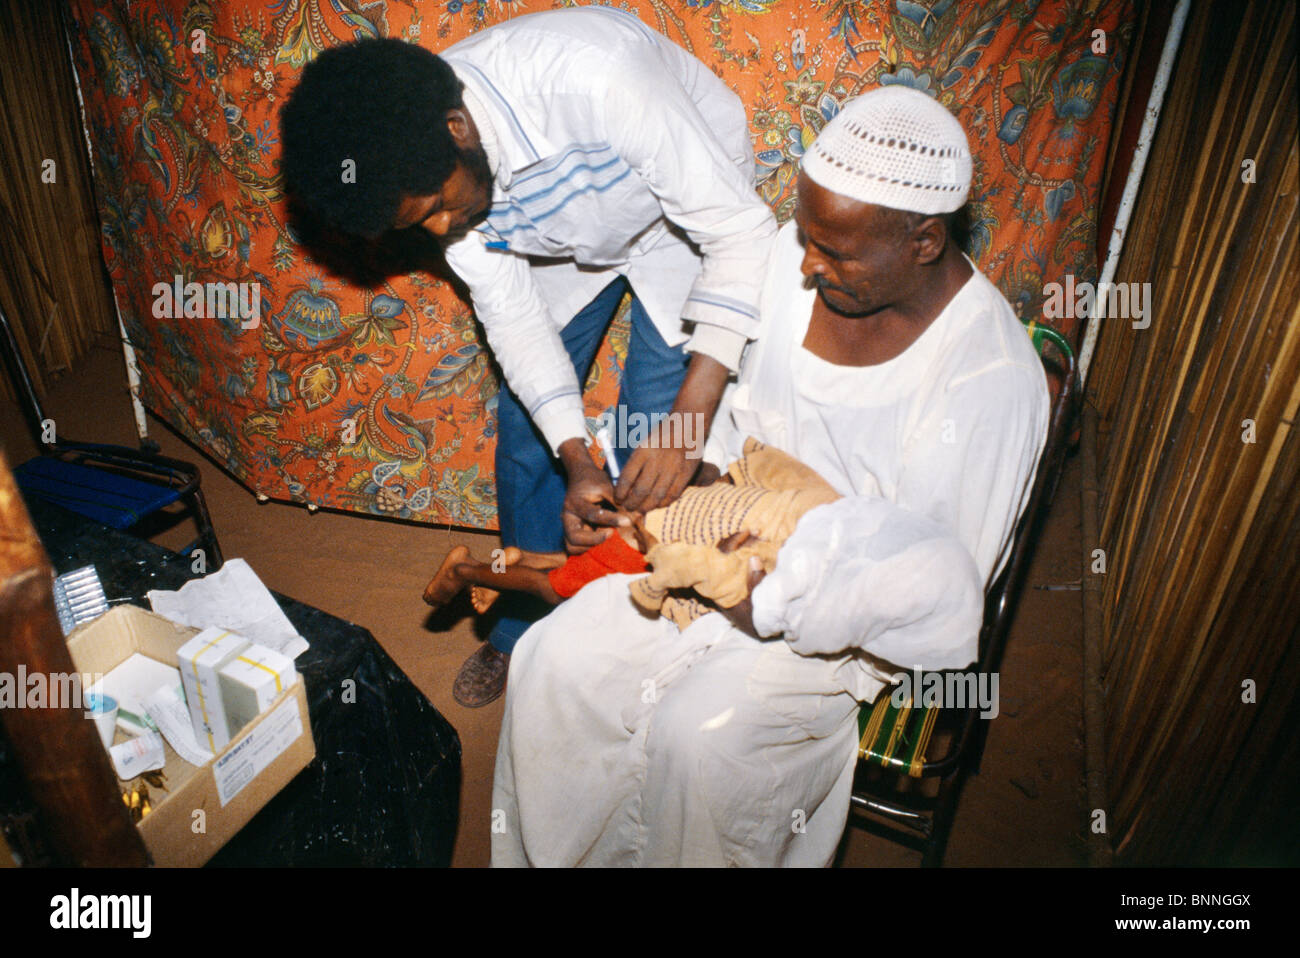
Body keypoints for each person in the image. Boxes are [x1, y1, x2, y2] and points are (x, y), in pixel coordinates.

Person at [490, 86, 1051, 866]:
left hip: (840, 615)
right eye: (807, 237)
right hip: (721, 537)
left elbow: (929, 581)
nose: (808, 264)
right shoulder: (798, 260)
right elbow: (722, 410)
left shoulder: (989, 378)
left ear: (924, 241)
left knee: (701, 742)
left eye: (837, 251)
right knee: (553, 666)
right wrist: (680, 480)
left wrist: (772, 598)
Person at [279, 8, 777, 706]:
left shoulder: (599, 80)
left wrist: (687, 425)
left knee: (652, 451)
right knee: (528, 438)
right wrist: (575, 458)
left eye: (434, 207)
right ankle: (521, 629)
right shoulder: (436, 183)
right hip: (557, 230)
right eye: (414, 225)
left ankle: (630, 628)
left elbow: (740, 232)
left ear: (459, 129)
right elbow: (512, 315)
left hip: (684, 226)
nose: (439, 231)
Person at [420, 437, 841, 631]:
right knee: (554, 589)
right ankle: (468, 570)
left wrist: (726, 475)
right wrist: (671, 602)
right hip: (653, 537)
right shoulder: (787, 565)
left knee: (593, 566)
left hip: (671, 500)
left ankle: (515, 558)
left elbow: (764, 461)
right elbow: (701, 571)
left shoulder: (824, 503)